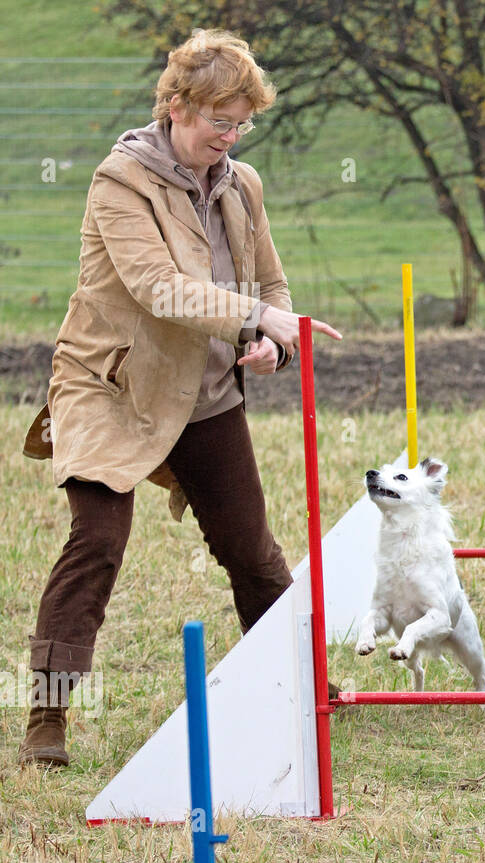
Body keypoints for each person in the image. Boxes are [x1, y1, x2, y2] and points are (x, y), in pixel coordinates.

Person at [18, 29, 342, 767]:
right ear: (176, 107)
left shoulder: (242, 183)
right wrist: (254, 316)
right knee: (96, 543)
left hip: (205, 394)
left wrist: (272, 339)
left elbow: (271, 286)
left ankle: (302, 690)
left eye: (240, 123)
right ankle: (46, 719)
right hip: (111, 387)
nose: (227, 137)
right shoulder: (120, 182)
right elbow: (159, 290)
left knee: (253, 556)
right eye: (216, 121)